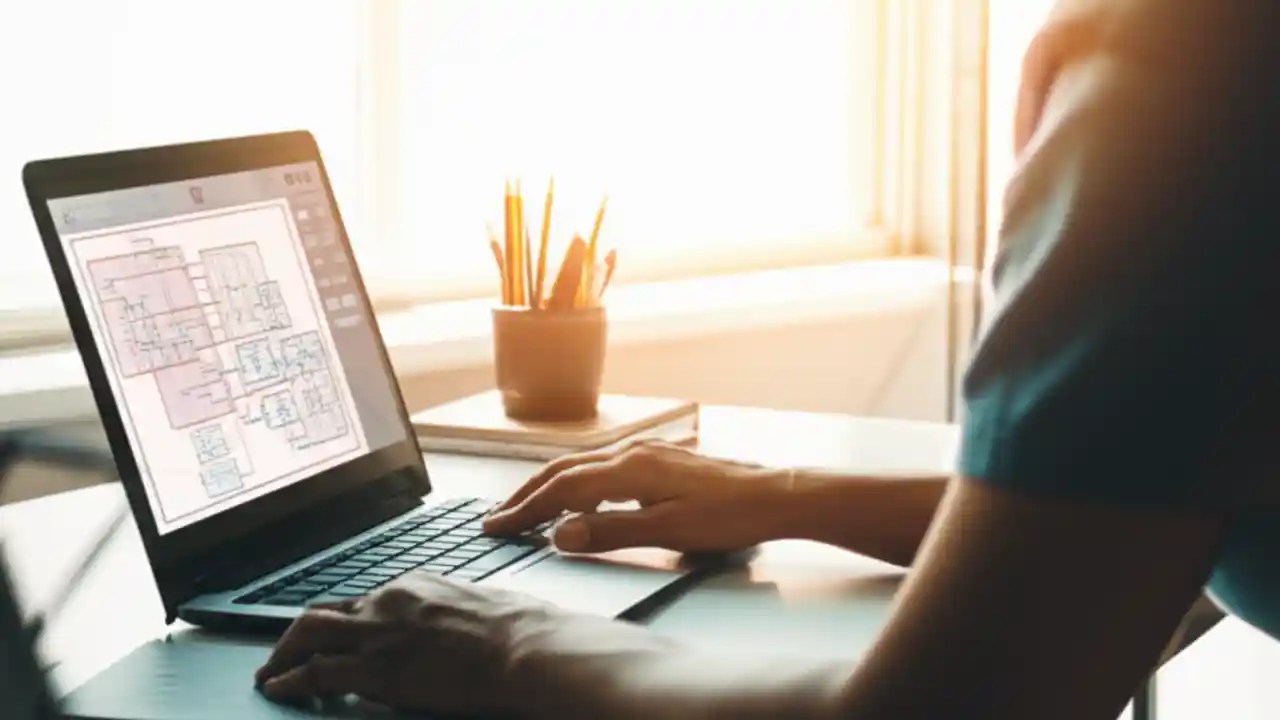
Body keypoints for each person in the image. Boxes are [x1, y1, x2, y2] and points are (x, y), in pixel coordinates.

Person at [254, 0, 1280, 717]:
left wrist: (513, 645)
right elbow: (1137, 519)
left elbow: (953, 707)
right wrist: (785, 495)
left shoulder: (1184, 85)